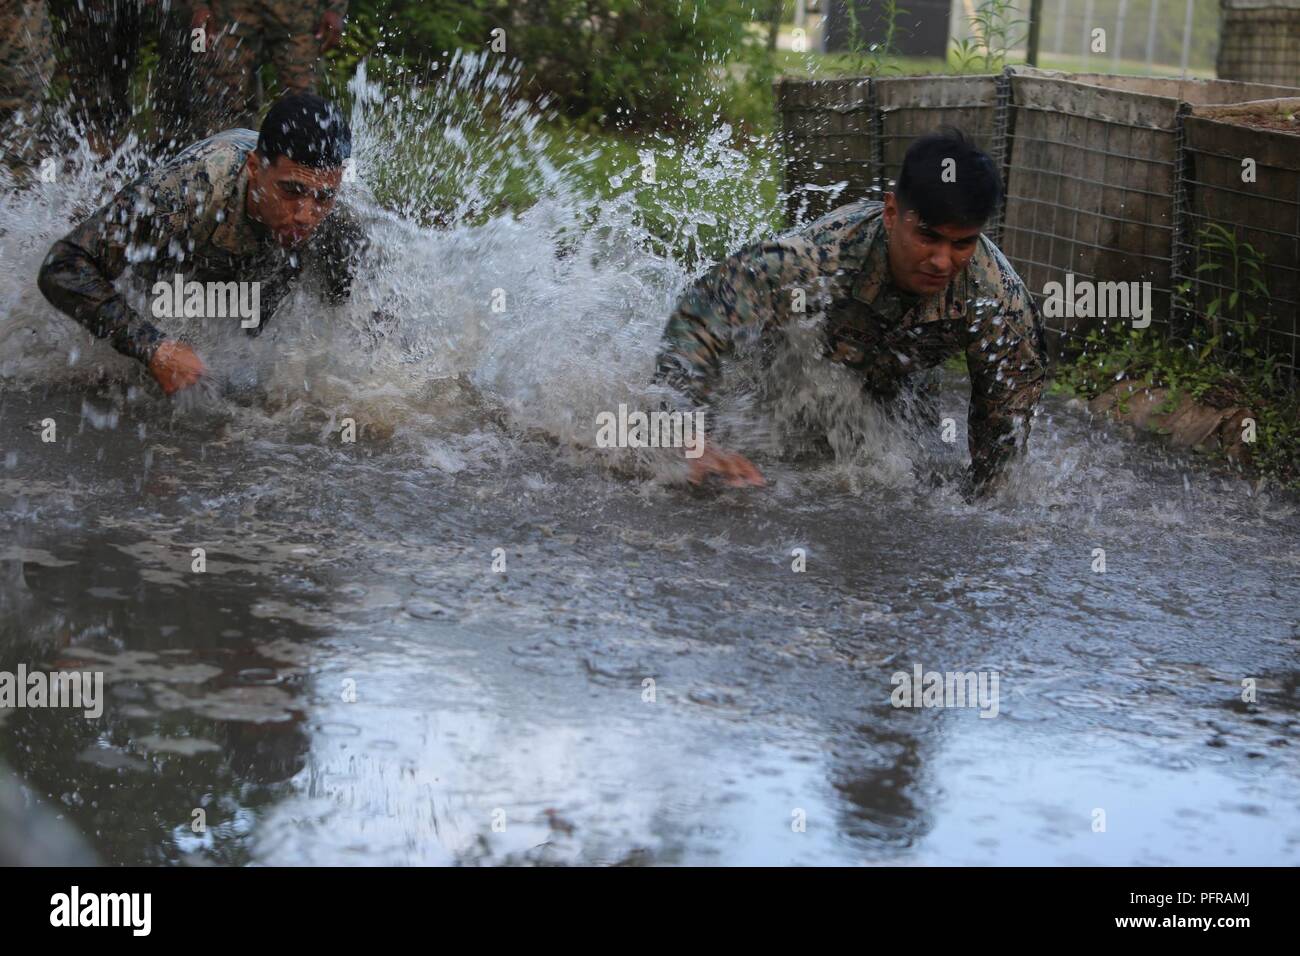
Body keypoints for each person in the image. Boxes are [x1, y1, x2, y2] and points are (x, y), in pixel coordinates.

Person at [652, 127, 1048, 496]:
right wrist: (690, 442)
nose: (942, 261)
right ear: (892, 214)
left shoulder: (1001, 304)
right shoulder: (820, 257)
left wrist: (982, 501)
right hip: (781, 365)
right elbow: (699, 317)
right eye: (928, 237)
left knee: (903, 477)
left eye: (962, 244)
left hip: (900, 382)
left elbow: (1005, 434)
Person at [38, 92, 366, 396]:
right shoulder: (187, 191)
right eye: (290, 192)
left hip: (250, 269)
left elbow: (352, 313)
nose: (306, 215)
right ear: (255, 167)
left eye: (324, 197)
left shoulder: (337, 221)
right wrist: (153, 348)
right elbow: (63, 264)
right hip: (175, 258)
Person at [190, 0, 347, 133]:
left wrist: (336, 8)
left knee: (305, 106)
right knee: (220, 100)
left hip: (298, 13)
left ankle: (300, 164)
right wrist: (197, 5)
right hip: (229, 11)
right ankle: (223, 162)